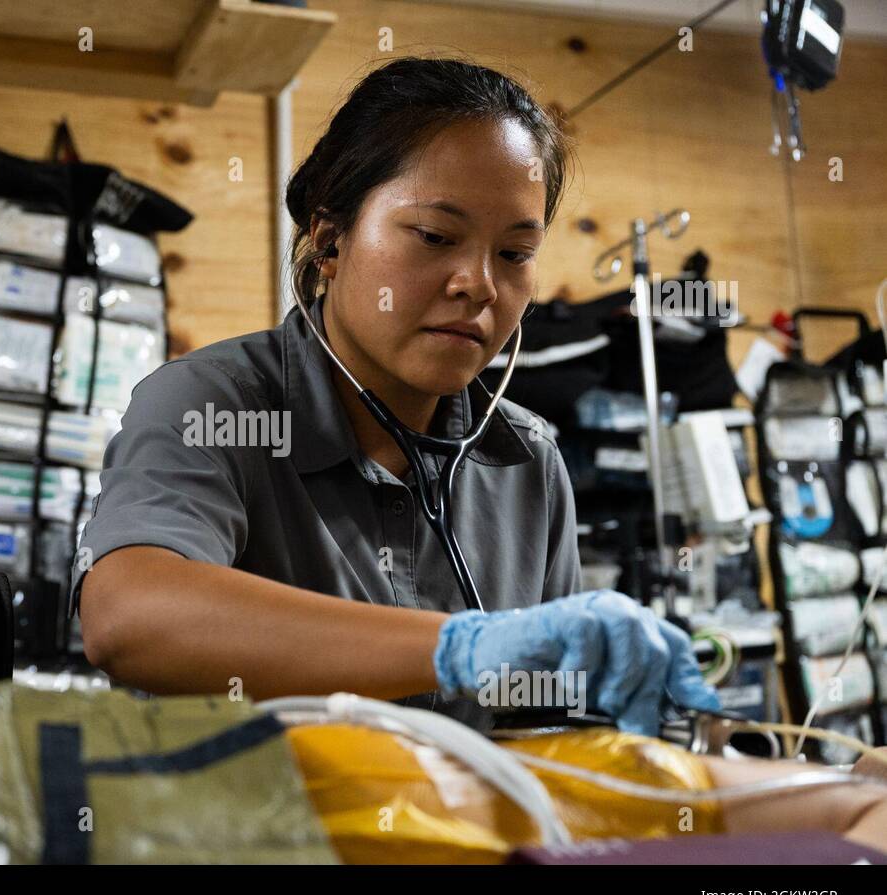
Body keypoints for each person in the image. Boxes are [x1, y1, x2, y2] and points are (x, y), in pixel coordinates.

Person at [71, 56, 719, 735]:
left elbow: (540, 730)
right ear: (329, 241)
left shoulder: (529, 465)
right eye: (436, 237)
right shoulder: (213, 406)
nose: (479, 285)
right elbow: (129, 618)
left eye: (514, 254)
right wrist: (461, 648)